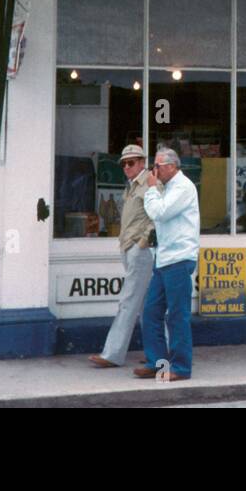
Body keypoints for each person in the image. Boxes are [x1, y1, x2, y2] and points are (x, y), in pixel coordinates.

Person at [133, 147, 200, 381]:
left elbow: (159, 212)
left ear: (172, 165)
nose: (154, 171)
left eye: (157, 166)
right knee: (151, 312)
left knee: (176, 315)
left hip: (179, 259)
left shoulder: (183, 187)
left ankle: (181, 367)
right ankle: (157, 362)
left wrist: (151, 188)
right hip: (165, 259)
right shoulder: (170, 188)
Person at [90, 144, 155, 368]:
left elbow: (157, 215)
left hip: (141, 250)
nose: (126, 167)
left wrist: (143, 241)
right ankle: (159, 353)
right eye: (124, 163)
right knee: (148, 304)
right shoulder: (132, 186)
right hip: (130, 247)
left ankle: (112, 354)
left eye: (132, 162)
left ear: (142, 163)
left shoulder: (149, 183)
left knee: (128, 302)